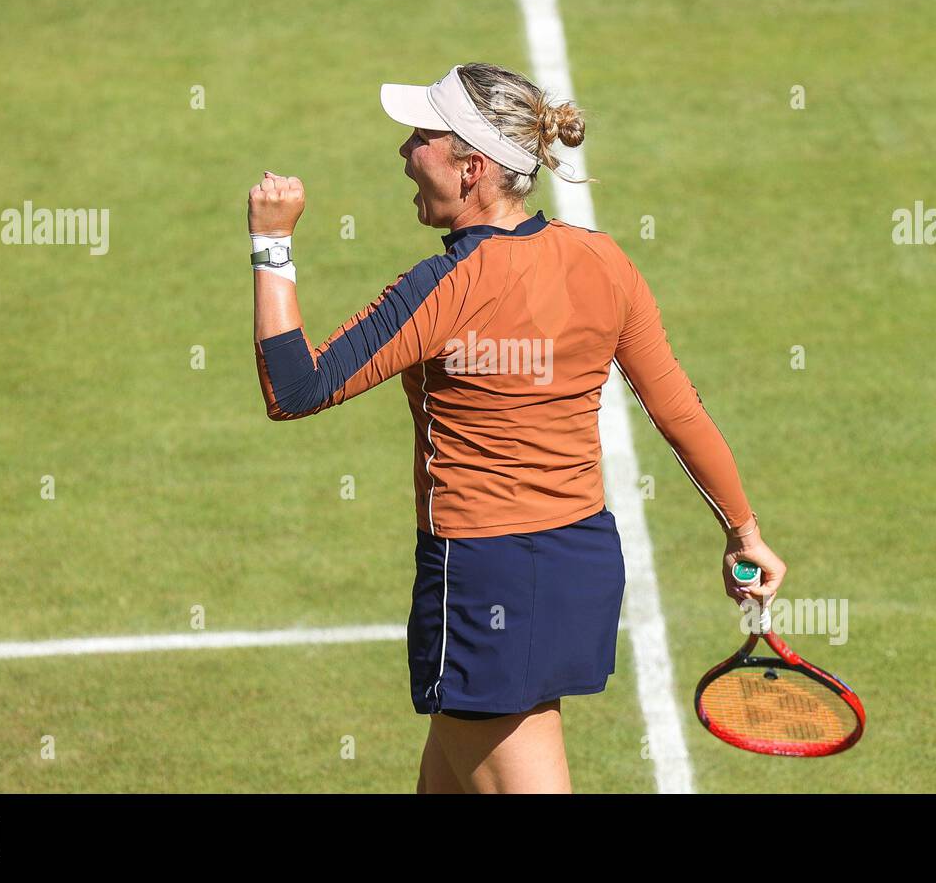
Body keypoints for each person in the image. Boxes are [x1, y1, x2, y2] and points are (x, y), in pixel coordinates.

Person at [246, 62, 787, 793]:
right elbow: (679, 412)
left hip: (484, 575)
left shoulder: (444, 287)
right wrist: (744, 532)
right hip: (579, 562)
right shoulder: (603, 260)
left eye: (421, 138)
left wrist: (271, 244)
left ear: (471, 167)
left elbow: (295, 387)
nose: (404, 152)